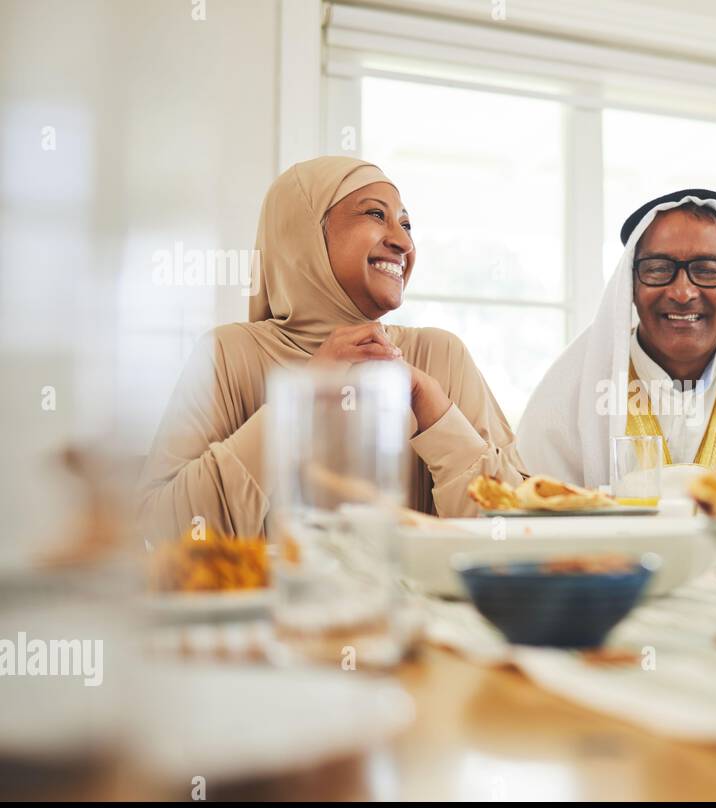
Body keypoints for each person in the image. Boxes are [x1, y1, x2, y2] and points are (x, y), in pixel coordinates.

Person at [136, 156, 525, 541]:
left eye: (406, 223)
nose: (403, 241)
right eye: (375, 215)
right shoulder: (226, 354)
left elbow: (515, 533)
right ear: (300, 235)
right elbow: (165, 533)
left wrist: (435, 410)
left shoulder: (441, 357)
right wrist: (301, 398)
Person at [517, 188, 716, 493]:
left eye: (707, 270)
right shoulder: (580, 379)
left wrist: (625, 491)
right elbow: (543, 502)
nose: (682, 292)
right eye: (659, 269)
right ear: (629, 287)